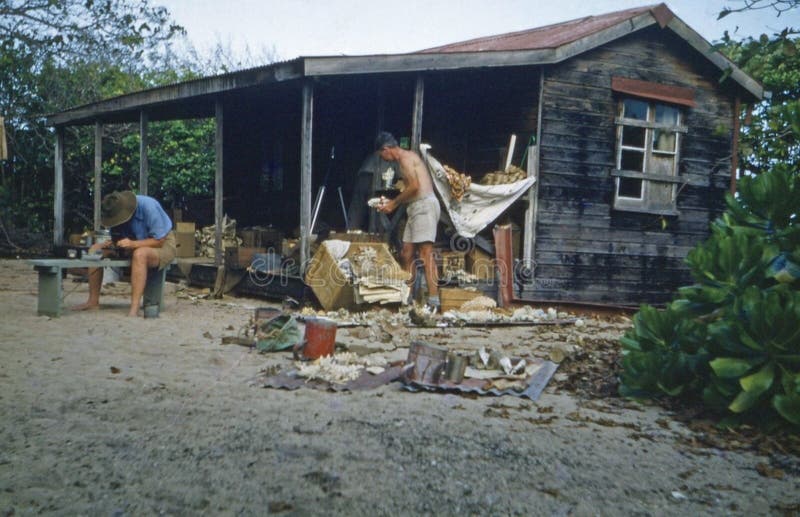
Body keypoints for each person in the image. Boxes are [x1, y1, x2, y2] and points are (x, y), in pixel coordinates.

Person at [72, 191, 177, 317]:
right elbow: (117, 238)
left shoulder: (149, 206)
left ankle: (134, 307)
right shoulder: (114, 211)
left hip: (163, 243)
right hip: (132, 243)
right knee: (95, 249)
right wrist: (112, 244)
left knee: (140, 254)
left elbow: (159, 240)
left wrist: (133, 244)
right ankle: (93, 301)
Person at [375, 132, 442, 310]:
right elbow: (410, 188)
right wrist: (390, 201)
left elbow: (415, 186)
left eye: (382, 155)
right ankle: (408, 298)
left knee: (426, 254)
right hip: (415, 208)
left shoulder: (405, 158)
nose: (384, 159)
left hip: (424, 207)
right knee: (406, 253)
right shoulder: (403, 160)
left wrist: (394, 204)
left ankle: (433, 301)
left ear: (386, 149)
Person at [347, 149, 397, 232]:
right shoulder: (396, 156)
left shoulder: (378, 152)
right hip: (375, 179)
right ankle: (378, 235)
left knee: (357, 208)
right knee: (377, 207)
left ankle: (350, 231)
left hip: (363, 176)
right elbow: (399, 177)